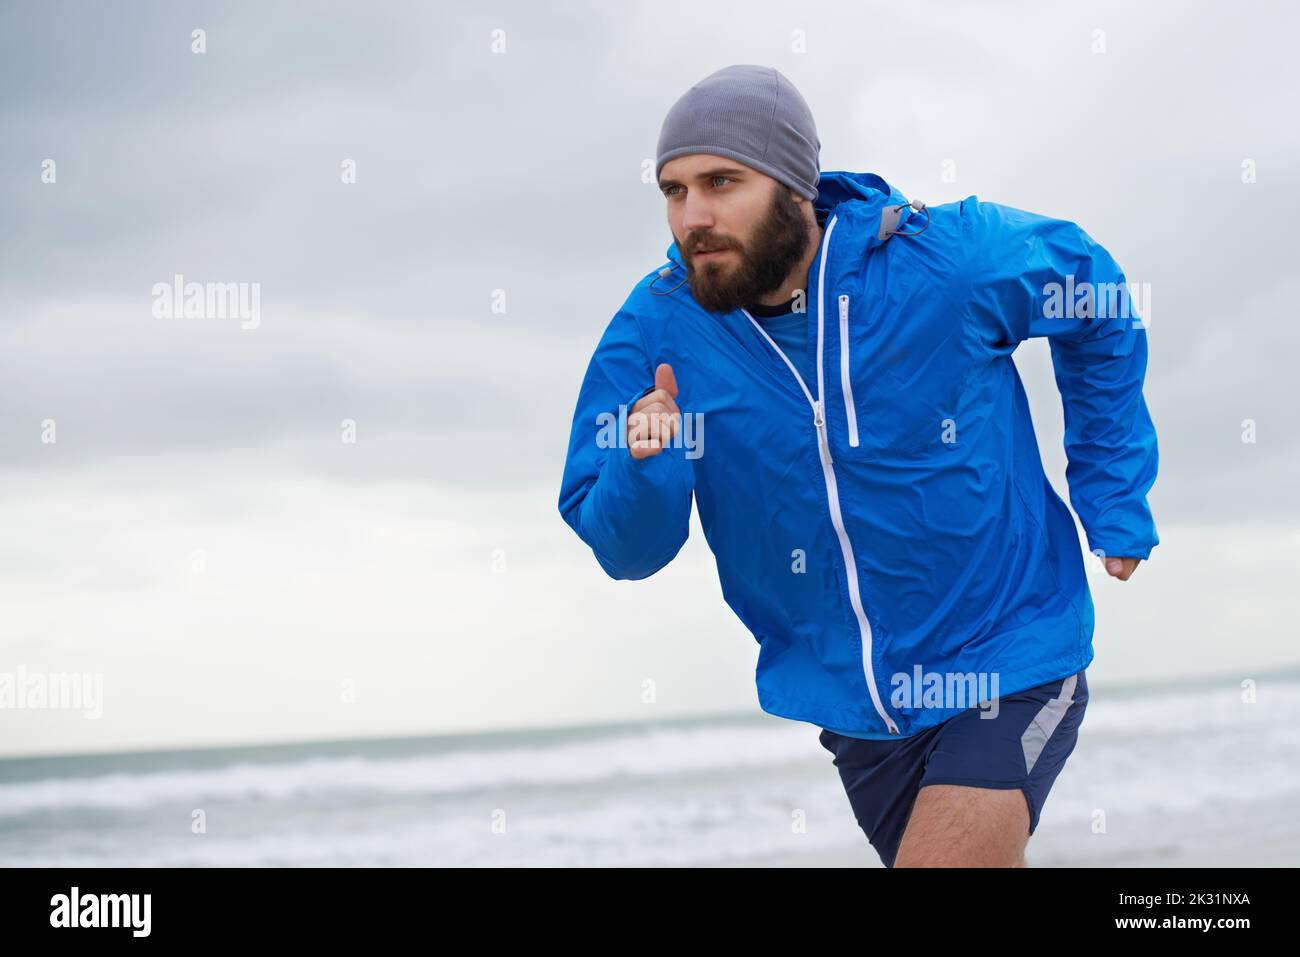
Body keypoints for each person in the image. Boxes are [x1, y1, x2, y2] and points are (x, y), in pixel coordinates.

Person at [556, 64, 1158, 867]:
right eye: (673, 191)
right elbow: (628, 550)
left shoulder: (943, 262)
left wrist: (1111, 490)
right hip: (859, 713)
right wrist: (646, 464)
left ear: (795, 185)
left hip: (1007, 650)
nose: (692, 216)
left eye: (722, 182)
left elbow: (1098, 295)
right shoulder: (658, 325)